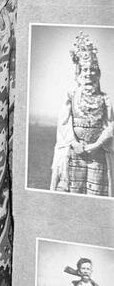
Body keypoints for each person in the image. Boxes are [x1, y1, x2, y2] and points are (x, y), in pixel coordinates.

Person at [50, 32, 114, 198]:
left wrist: (97, 145)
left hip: (98, 154)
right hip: (74, 153)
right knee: (71, 194)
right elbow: (63, 122)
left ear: (98, 74)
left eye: (93, 70)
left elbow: (111, 124)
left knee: (96, 196)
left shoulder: (105, 99)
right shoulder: (70, 95)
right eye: (85, 70)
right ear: (78, 73)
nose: (89, 74)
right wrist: (74, 143)